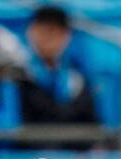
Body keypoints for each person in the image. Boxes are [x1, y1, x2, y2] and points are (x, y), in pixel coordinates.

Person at [16, 5, 98, 145]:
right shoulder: (17, 75)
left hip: (72, 158)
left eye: (55, 32)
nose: (48, 39)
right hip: (29, 158)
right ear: (30, 32)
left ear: (67, 36)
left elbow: (92, 123)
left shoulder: (76, 79)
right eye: (43, 31)